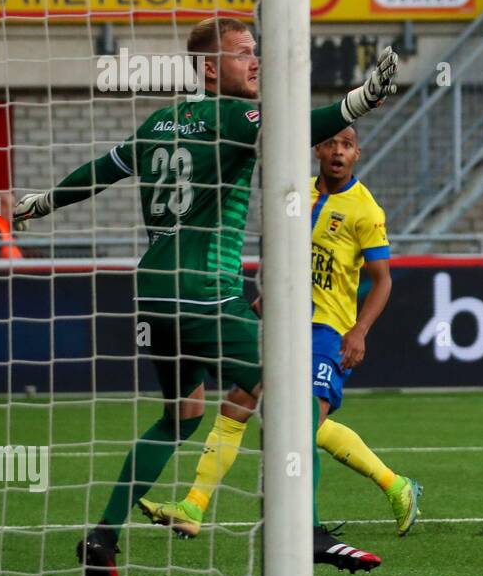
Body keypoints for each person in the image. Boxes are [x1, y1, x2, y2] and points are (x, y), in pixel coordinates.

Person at [12, 16, 399, 576]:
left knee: (181, 417)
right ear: (211, 68)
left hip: (151, 295)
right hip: (206, 294)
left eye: (255, 51)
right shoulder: (235, 117)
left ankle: (103, 536)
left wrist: (42, 202)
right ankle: (310, 530)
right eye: (244, 54)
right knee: (296, 400)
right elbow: (302, 126)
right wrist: (362, 99)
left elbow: (99, 172)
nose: (256, 63)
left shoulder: (157, 124)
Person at [140, 125, 422, 541]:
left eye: (347, 144)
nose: (338, 151)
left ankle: (323, 521)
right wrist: (267, 294)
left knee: (299, 428)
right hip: (286, 324)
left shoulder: (366, 210)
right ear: (318, 150)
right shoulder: (297, 195)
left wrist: (359, 331)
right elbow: (284, 256)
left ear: (357, 153)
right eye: (331, 143)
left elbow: (383, 280)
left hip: (329, 332)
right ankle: (194, 507)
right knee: (238, 406)